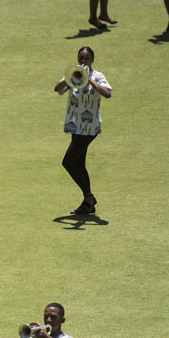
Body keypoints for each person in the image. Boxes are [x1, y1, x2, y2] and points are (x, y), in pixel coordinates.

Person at [54, 46, 112, 215]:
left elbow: (107, 93)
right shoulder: (74, 74)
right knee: (79, 163)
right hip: (75, 125)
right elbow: (57, 89)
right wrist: (69, 76)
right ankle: (88, 203)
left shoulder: (98, 76)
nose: (83, 61)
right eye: (80, 58)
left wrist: (90, 80)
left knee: (68, 162)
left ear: (92, 60)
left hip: (89, 127)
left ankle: (89, 197)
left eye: (86, 58)